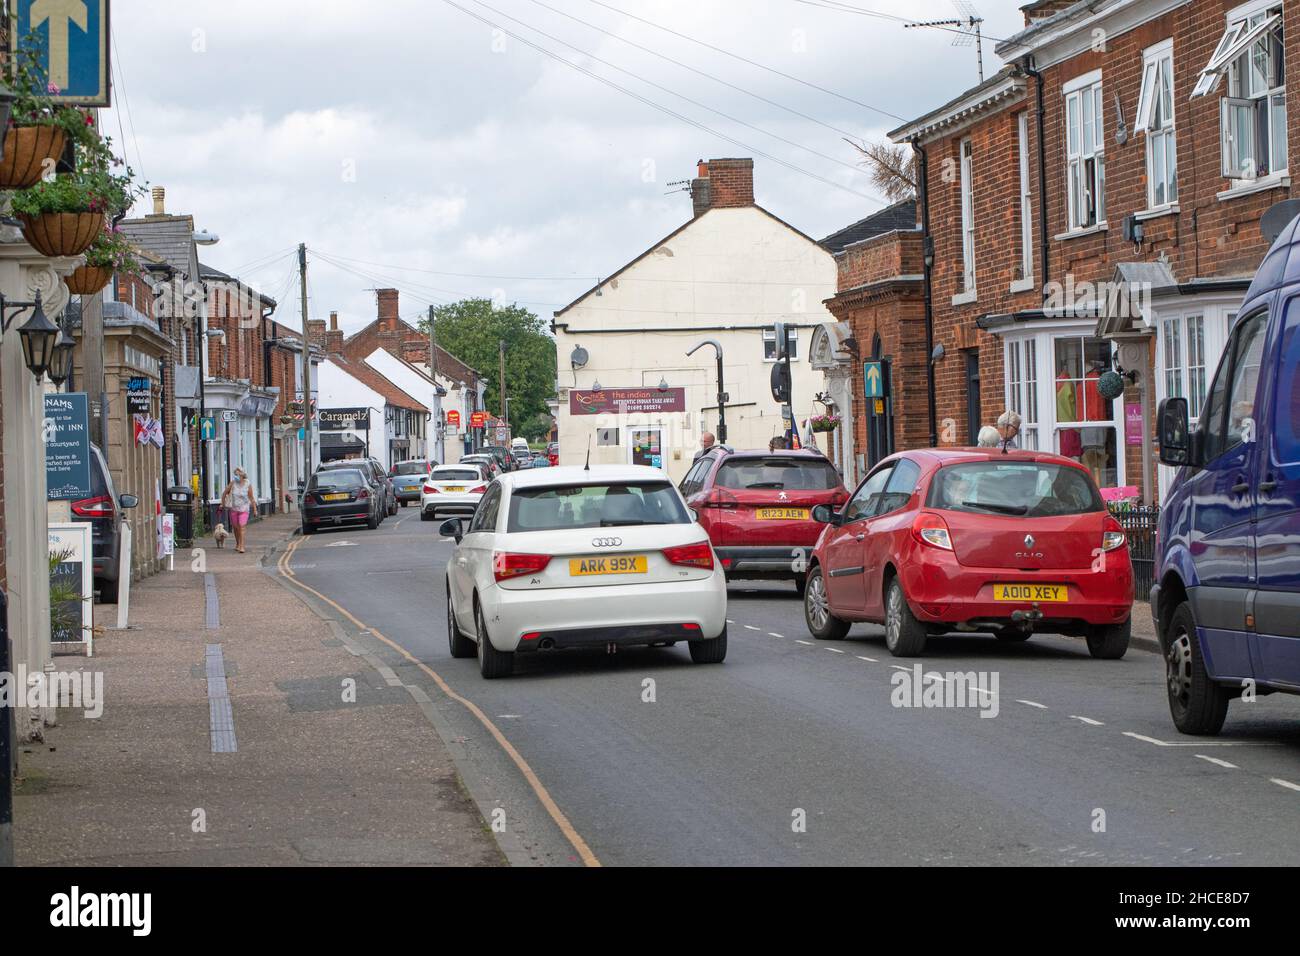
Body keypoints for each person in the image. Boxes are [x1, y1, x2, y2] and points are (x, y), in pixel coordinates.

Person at [221, 467, 256, 554]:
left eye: (237, 474)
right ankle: (238, 543)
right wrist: (223, 504)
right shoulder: (232, 483)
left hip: (244, 509)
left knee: (242, 526)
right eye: (235, 474)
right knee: (236, 528)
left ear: (242, 475)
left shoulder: (247, 484)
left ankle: (242, 546)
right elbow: (225, 493)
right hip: (234, 508)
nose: (236, 476)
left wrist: (255, 509)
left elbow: (251, 497)